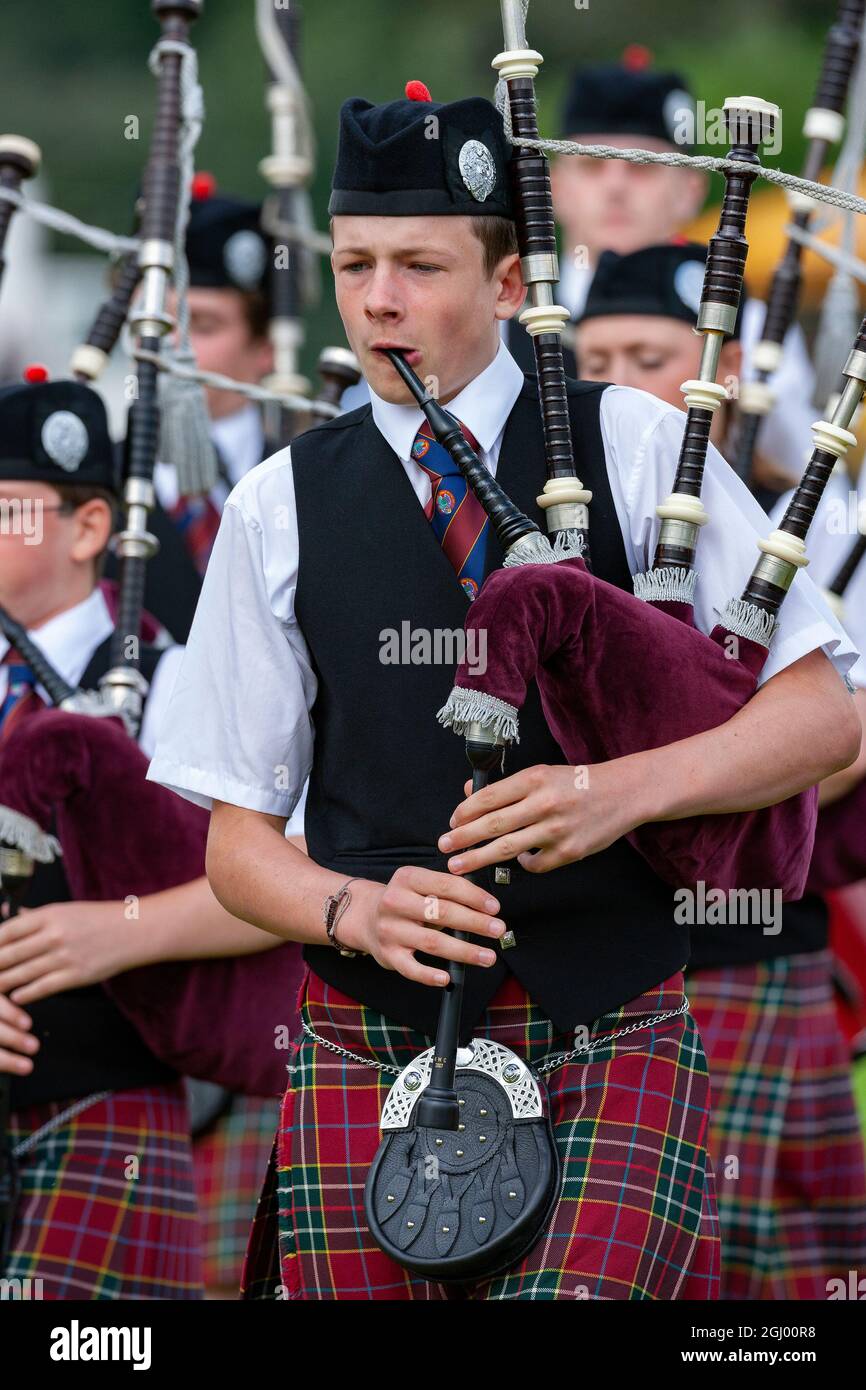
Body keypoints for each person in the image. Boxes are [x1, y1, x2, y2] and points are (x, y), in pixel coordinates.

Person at [148, 84, 860, 1302]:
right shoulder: (276, 507)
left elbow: (824, 712)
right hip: (366, 1032)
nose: (378, 299)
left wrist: (616, 791)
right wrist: (347, 912)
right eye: (355, 262)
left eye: (419, 264)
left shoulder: (633, 444)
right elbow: (237, 842)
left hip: (609, 1019)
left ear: (510, 278)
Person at [575, 240, 866, 1299]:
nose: (615, 381)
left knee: (749, 1272)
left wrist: (668, 791)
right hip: (604, 950)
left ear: (715, 367)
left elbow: (840, 733)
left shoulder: (808, 511)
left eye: (645, 354)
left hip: (747, 933)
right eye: (592, 356)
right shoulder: (571, 523)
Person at [0, 374, 295, 1299]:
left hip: (105, 1100)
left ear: (90, 530)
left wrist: (115, 931)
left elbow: (282, 884)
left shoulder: (176, 685)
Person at [523, 52, 816, 483]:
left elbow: (798, 480)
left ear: (690, 190)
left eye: (643, 167)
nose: (616, 187)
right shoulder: (507, 324)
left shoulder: (751, 327)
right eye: (592, 166)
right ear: (557, 188)